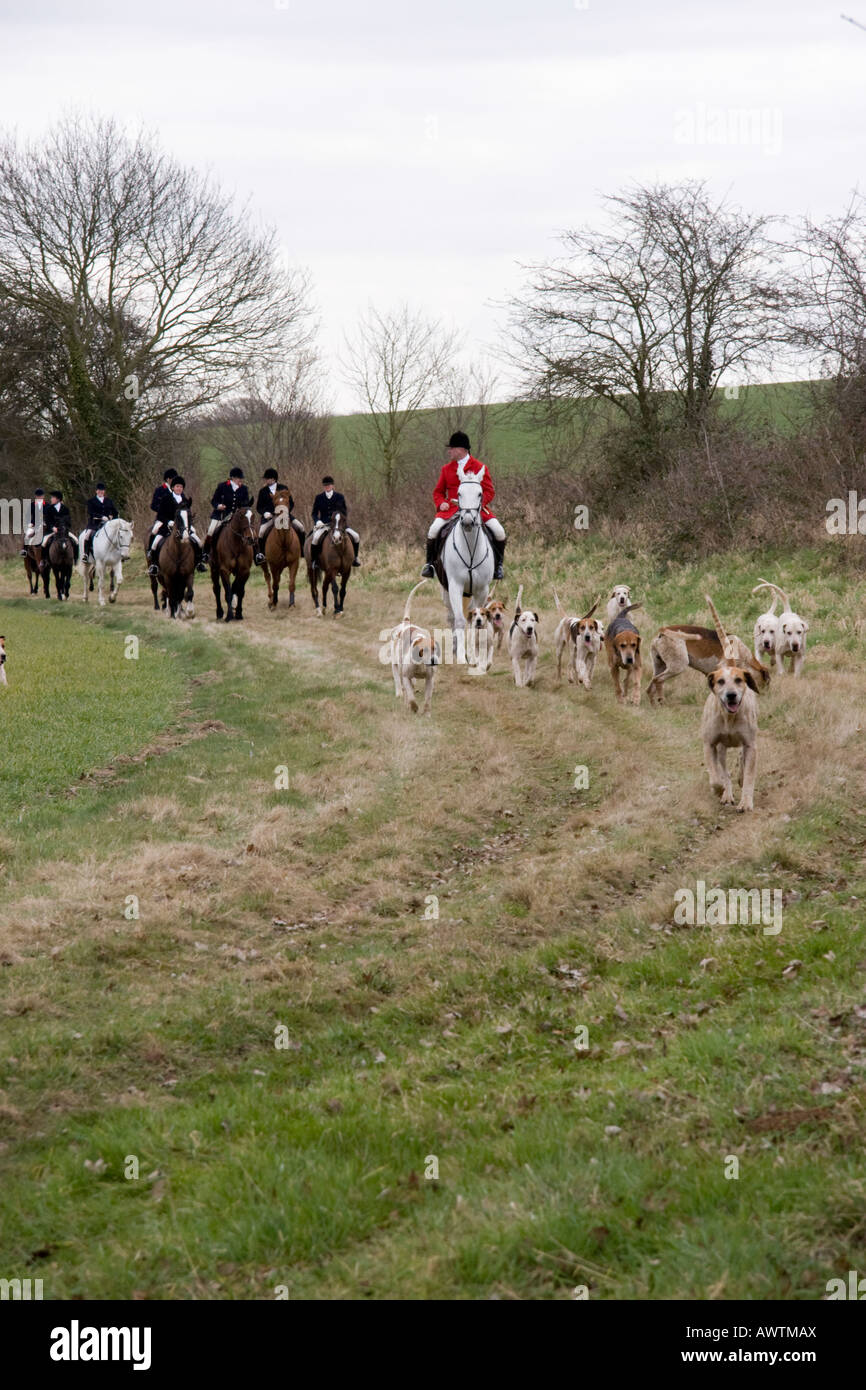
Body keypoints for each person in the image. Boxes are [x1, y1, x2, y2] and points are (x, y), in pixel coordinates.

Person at [421, 431, 506, 580]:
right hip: (451, 509)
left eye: (452, 448)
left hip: (476, 510)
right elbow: (438, 492)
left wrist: (478, 504)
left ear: (462, 449)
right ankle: (430, 565)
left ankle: (498, 566)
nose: (449, 451)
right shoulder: (446, 469)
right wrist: (441, 503)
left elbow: (489, 491)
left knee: (499, 532)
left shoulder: (480, 467)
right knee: (433, 530)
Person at [147, 475, 202, 572]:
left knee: (198, 540)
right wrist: (168, 521)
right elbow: (160, 515)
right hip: (167, 525)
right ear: (172, 488)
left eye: (181, 487)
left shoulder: (185, 500)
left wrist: (188, 524)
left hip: (183, 527)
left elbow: (187, 515)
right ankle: (154, 564)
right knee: (155, 542)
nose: (179, 488)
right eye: (177, 486)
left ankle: (199, 562)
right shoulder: (166, 498)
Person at [201, 467, 251, 567]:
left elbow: (246, 503)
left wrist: (242, 510)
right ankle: (205, 553)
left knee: (249, 530)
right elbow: (214, 500)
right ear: (232, 478)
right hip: (221, 515)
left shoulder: (244, 489)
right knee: (211, 530)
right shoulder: (222, 486)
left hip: (237, 516)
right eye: (238, 478)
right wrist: (218, 506)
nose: (240, 480)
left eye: (241, 478)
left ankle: (255, 554)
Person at [255, 468, 306, 565]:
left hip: (284, 515)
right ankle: (261, 554)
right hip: (269, 517)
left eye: (267, 478)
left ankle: (302, 551)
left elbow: (291, 503)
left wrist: (285, 512)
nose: (265, 480)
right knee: (261, 532)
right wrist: (264, 513)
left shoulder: (284, 488)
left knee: (301, 527)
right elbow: (259, 507)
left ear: (273, 479)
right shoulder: (263, 491)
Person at [309, 475, 361, 568]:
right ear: (323, 486)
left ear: (332, 486)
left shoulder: (340, 497)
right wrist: (317, 521)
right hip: (324, 524)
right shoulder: (319, 497)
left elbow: (344, 512)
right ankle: (315, 561)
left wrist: (341, 521)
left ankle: (355, 558)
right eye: (325, 486)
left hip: (339, 525)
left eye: (329, 485)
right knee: (316, 538)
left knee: (356, 536)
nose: (327, 487)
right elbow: (314, 513)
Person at [80, 483, 119, 559]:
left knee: (117, 534)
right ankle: (86, 554)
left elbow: (115, 512)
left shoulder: (109, 501)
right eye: (99, 490)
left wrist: (114, 519)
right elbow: (91, 513)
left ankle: (118, 553)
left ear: (104, 491)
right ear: (96, 491)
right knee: (87, 535)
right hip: (94, 523)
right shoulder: (91, 501)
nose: (101, 492)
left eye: (102, 490)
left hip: (107, 523)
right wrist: (101, 517)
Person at [41, 489, 78, 562]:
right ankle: (44, 560)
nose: (51, 499)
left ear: (57, 499)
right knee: (44, 542)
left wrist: (64, 528)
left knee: (76, 541)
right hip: (52, 532)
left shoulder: (65, 509)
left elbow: (68, 521)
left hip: (64, 531)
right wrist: (52, 527)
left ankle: (75, 559)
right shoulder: (49, 509)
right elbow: (47, 521)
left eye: (52, 497)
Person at [21, 488, 46, 554]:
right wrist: (29, 523)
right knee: (27, 534)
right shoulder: (32, 505)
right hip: (34, 525)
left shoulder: (48, 505)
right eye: (38, 496)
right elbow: (27, 516)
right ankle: (24, 550)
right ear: (35, 496)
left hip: (45, 525)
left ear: (43, 496)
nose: (39, 497)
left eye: (40, 496)